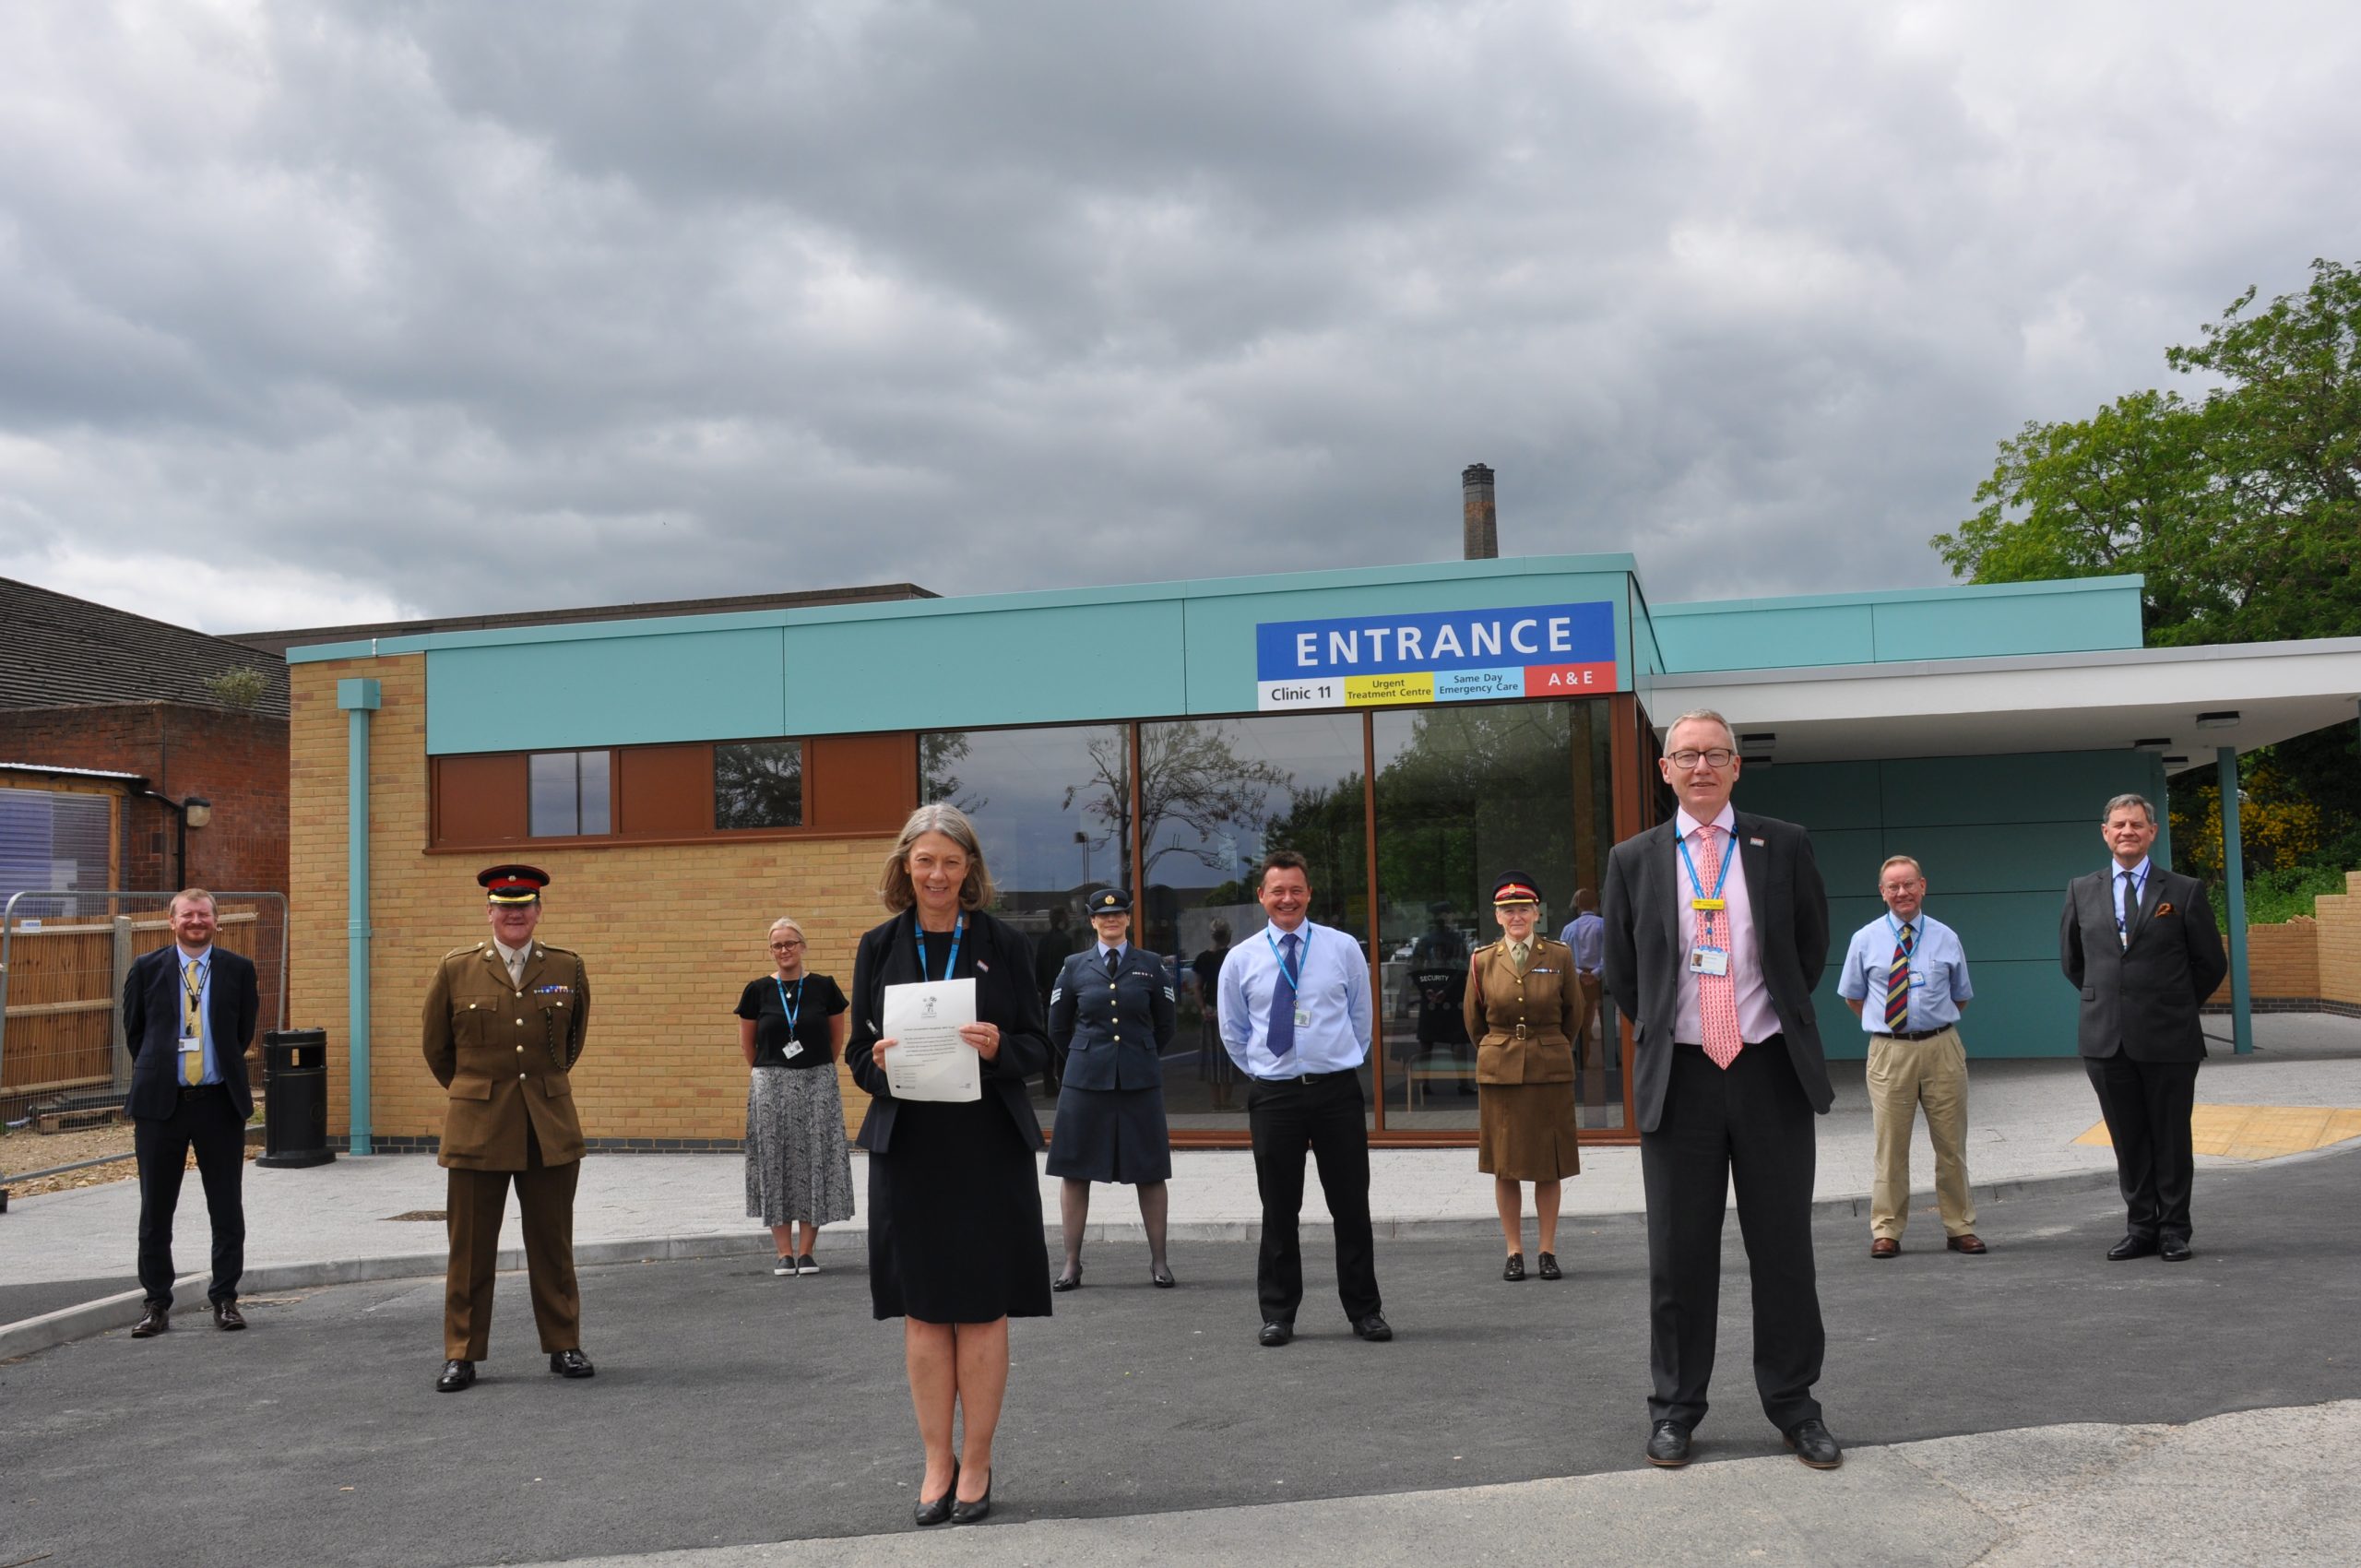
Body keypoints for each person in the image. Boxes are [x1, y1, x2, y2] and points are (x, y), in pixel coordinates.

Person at [1601, 709, 1840, 1472]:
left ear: (1736, 766)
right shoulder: (1634, 859)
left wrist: (1756, 1019)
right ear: (1664, 770)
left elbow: (1809, 948)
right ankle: (1675, 1410)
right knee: (1679, 1256)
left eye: (1715, 754)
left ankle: (1796, 1406)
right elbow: (1623, 972)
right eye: (1685, 755)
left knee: (1783, 1252)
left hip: (1768, 1070)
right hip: (1683, 1078)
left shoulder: (1784, 843)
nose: (1700, 767)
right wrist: (1691, 1028)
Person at [845, 803, 1050, 1527]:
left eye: (951, 862)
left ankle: (979, 1460)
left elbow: (1039, 1047)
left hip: (987, 1149)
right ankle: (937, 1461)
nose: (937, 874)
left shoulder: (1004, 944)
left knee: (984, 1311)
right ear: (906, 865)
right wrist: (872, 1064)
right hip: (913, 1154)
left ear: (971, 872)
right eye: (925, 860)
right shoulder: (878, 945)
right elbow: (854, 1058)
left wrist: (1001, 1049)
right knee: (926, 1314)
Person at [421, 864, 594, 1394]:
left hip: (548, 1124)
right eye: (505, 906)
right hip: (477, 1125)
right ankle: (462, 1353)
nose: (515, 914)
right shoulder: (457, 969)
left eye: (524, 906)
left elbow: (570, 1045)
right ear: (489, 912)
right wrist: (479, 1093)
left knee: (552, 1244)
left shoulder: (567, 965)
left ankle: (564, 1344)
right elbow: (438, 1050)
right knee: (469, 1247)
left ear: (538, 912)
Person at [1217, 849, 1389, 1348]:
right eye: (1278, 891)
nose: (1287, 898)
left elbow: (1361, 1015)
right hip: (1275, 1097)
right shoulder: (1242, 959)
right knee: (1278, 1208)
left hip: (1335, 1092)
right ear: (1262, 897)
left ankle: (1365, 1310)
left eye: (1296, 889)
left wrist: (1338, 1059)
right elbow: (1234, 1030)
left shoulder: (1340, 948)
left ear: (1309, 893)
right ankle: (1278, 1314)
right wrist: (1267, 1072)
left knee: (1351, 1205)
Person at [2060, 793, 2228, 1264]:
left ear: (2152, 832)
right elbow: (2074, 963)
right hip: (2105, 1038)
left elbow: (2210, 963)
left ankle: (2175, 1229)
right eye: (2118, 824)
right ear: (2105, 832)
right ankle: (2141, 1228)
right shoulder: (2081, 889)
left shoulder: (2183, 890)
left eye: (2136, 824)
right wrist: (2113, 1000)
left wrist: (2171, 1004)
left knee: (2171, 1135)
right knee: (2128, 1138)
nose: (2127, 831)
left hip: (2169, 1037)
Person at [122, 888, 260, 1337]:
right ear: (171, 921)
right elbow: (136, 1033)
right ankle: (157, 1304)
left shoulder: (239, 970)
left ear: (217, 922)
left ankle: (225, 1299)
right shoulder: (146, 969)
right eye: (187, 915)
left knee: (226, 1208)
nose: (195, 921)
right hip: (161, 1107)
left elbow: (241, 1034)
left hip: (219, 1104)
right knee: (155, 1211)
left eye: (203, 914)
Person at [1837, 857, 1985, 1258]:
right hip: (1889, 1051)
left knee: (1951, 1145)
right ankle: (1886, 1230)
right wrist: (1893, 1026)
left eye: (1908, 885)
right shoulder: (1864, 939)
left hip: (1942, 1047)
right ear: (1882, 893)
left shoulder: (1945, 936)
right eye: (1892, 887)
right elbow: (1854, 996)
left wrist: (1928, 1025)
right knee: (1890, 1146)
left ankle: (1960, 1227)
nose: (1901, 893)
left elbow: (1961, 994)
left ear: (1923, 886)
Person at [1046, 886, 1178, 1289]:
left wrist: (1135, 1054)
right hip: (1085, 1082)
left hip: (1138, 1080)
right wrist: (1089, 1058)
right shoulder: (1073, 966)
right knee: (1075, 1170)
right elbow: (1058, 1026)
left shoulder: (1152, 965)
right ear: (1092, 921)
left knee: (1150, 1170)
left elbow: (1166, 1025)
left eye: (1118, 915)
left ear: (1127, 918)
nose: (1111, 920)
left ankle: (1159, 1262)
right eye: (1104, 917)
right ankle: (1071, 1263)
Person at [1463, 872, 1582, 1282]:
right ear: (1498, 916)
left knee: (1549, 1164)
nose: (1517, 916)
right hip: (1501, 1074)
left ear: (1536, 913)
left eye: (1524, 909)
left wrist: (1547, 1047)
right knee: (1506, 1165)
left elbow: (1573, 1016)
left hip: (1549, 1070)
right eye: (1508, 910)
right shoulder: (1481, 960)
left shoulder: (1559, 956)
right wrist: (1503, 1051)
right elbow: (1474, 1022)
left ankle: (1546, 1250)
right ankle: (1514, 1250)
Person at [735, 915, 856, 1277]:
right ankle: (783, 1253)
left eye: (790, 943)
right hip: (770, 1084)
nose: (784, 950)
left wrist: (813, 1070)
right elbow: (748, 1045)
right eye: (777, 945)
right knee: (774, 1162)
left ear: (802, 946)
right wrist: (770, 1073)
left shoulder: (824, 987)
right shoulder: (756, 990)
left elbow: (836, 1041)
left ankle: (806, 1252)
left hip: (818, 1081)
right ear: (771, 951)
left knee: (814, 1159)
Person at [1033, 905, 1079, 1099]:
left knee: (1049, 1041)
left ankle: (1048, 1085)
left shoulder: (1044, 941)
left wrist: (1043, 989)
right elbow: (1069, 971)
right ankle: (1063, 1081)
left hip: (1047, 996)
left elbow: (1038, 969)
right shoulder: (1066, 941)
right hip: (1064, 997)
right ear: (1063, 919)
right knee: (1063, 1039)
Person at [1192, 920, 1238, 1111]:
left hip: (1210, 1011)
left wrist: (1203, 1008)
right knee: (1228, 1056)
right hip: (1229, 1011)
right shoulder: (1232, 956)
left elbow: (1197, 987)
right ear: (1227, 935)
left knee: (1212, 1058)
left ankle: (1216, 1101)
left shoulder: (1202, 958)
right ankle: (1226, 1101)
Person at [1560, 887, 1606, 1070]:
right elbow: (1609, 952)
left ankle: (1583, 1057)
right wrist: (1595, 974)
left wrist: (1580, 973)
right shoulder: (1603, 925)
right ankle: (1608, 1056)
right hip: (1600, 980)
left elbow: (1564, 957)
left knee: (1582, 1021)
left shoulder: (1568, 929)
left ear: (1576, 906)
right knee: (1604, 1021)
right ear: (1595, 904)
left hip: (1577, 980)